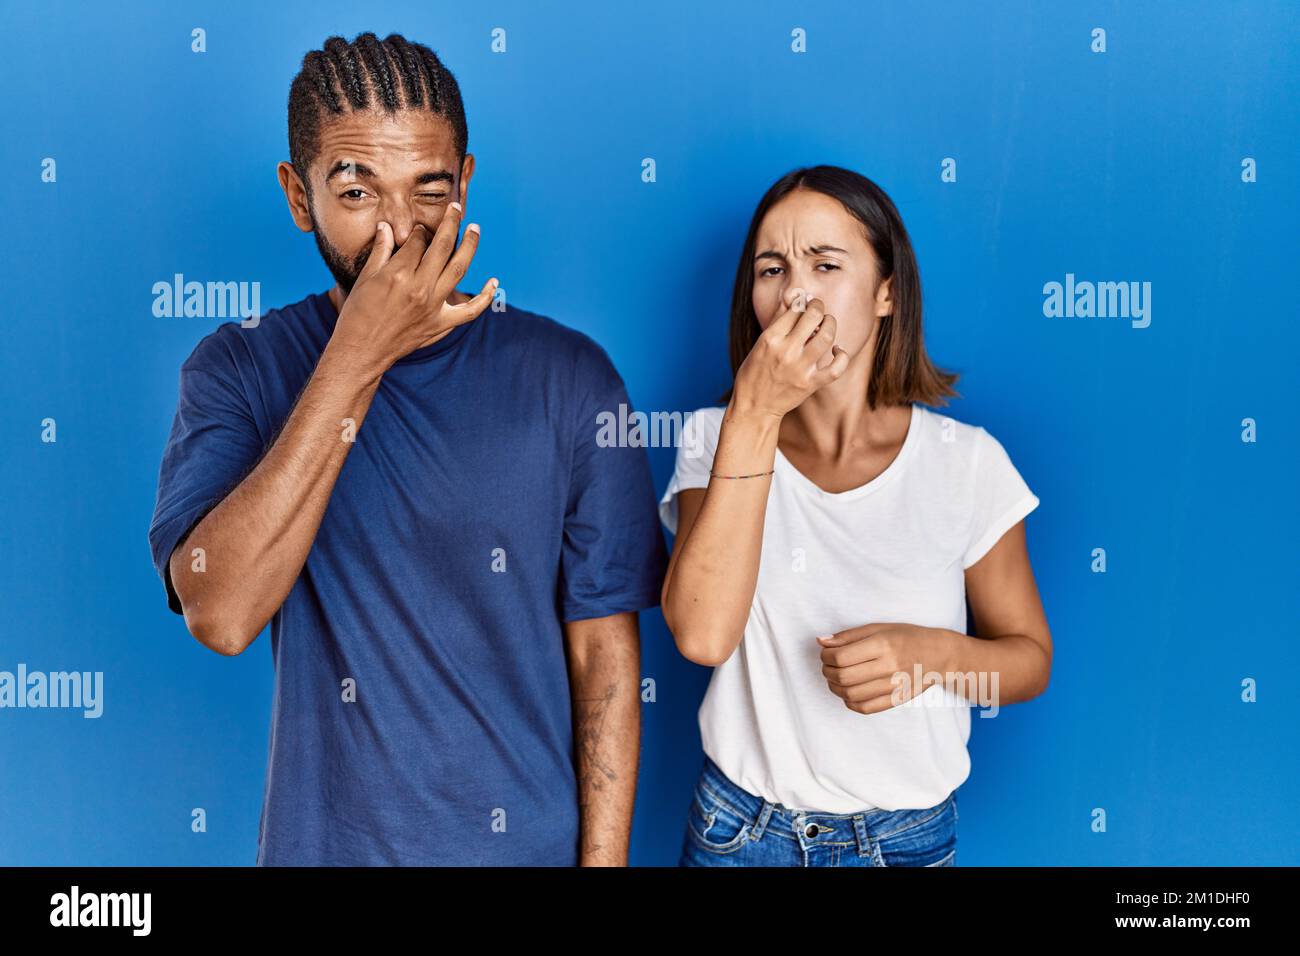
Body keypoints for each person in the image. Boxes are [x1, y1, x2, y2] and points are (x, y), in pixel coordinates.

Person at [147, 32, 667, 866]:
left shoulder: (571, 377)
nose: (398, 230)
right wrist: (358, 354)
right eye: (357, 191)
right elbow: (221, 611)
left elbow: (603, 655)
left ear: (463, 183)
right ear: (298, 195)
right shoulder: (238, 367)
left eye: (429, 190)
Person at [658, 165, 1052, 867]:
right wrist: (753, 412)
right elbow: (702, 634)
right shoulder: (710, 437)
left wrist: (930, 655)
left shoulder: (966, 464)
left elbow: (1027, 662)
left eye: (826, 264)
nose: (796, 294)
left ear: (887, 292)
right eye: (772, 269)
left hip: (904, 842)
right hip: (740, 834)